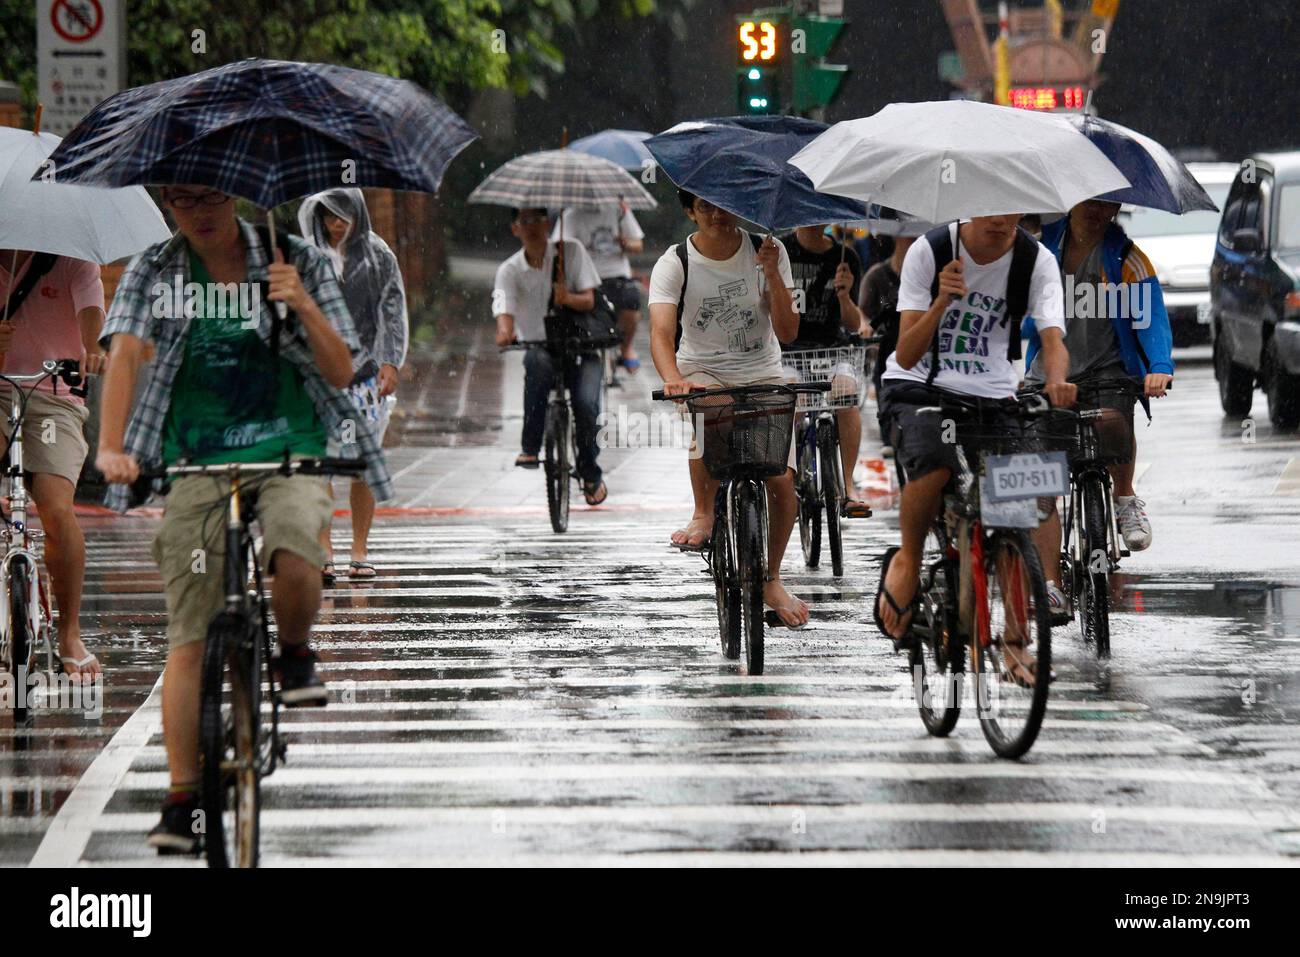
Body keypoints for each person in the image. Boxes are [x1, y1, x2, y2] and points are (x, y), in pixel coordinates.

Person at [94, 185, 393, 854]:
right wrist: (111, 448)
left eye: (206, 197)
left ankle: (291, 652)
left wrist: (304, 303)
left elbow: (343, 369)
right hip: (194, 465)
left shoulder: (295, 258)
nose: (195, 213)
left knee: (295, 552)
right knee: (191, 629)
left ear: (233, 194)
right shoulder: (155, 269)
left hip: (288, 452)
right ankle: (181, 800)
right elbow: (122, 354)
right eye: (179, 201)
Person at [873, 215, 1076, 683]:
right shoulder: (931, 250)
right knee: (937, 464)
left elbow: (1052, 339)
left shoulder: (1036, 260)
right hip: (920, 389)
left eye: (1013, 208)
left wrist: (1059, 379)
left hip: (996, 396)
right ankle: (907, 557)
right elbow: (904, 353)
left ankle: (1015, 642)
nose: (1003, 219)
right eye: (993, 206)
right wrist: (942, 300)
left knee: (1025, 497)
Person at [648, 190, 807, 627]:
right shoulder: (675, 261)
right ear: (689, 211)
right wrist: (673, 378)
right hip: (703, 371)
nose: (717, 214)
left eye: (725, 203)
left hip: (763, 372)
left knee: (781, 477)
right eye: (705, 206)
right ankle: (704, 511)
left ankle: (772, 577)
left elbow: (789, 331)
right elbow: (661, 331)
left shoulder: (768, 250)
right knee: (711, 418)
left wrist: (773, 275)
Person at [1021, 200, 1173, 614]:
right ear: (1070, 201)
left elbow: (1152, 316)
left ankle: (1125, 498)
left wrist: (1159, 366)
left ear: (1117, 207)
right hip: (1048, 378)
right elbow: (1017, 315)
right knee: (1039, 488)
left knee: (1116, 421)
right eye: (1089, 200)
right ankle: (1050, 586)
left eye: (1108, 201)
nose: (1097, 209)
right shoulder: (1039, 253)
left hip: (1109, 372)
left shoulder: (1127, 258)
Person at [0, 249, 106, 681]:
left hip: (54, 395)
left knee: (58, 509)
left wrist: (95, 348)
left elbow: (92, 311)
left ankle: (70, 634)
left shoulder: (73, 258)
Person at [298, 189, 409, 583]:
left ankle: (359, 549)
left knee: (362, 465)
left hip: (364, 377)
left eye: (344, 215)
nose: (336, 223)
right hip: (317, 375)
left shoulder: (379, 257)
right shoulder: (305, 257)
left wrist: (390, 361)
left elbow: (392, 311)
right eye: (329, 215)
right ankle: (324, 549)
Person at [493, 207, 608, 506]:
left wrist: (567, 297)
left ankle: (590, 472)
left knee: (585, 404)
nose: (531, 227)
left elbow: (590, 299)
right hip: (541, 346)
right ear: (515, 229)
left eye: (537, 220)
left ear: (548, 223)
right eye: (524, 222)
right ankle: (530, 447)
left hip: (581, 346)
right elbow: (503, 308)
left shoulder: (571, 252)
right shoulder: (509, 269)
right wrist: (505, 331)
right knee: (535, 362)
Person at [778, 225, 870, 515]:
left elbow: (854, 324)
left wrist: (844, 295)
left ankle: (847, 485)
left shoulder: (847, 256)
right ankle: (789, 477)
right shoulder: (780, 251)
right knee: (796, 403)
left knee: (846, 394)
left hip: (833, 349)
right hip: (788, 352)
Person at [552, 201, 645, 371]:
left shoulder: (619, 211)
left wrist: (625, 243)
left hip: (616, 275)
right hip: (585, 278)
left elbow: (638, 244)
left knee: (632, 300)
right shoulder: (570, 216)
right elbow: (557, 248)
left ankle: (626, 348)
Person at [859, 232, 918, 454]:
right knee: (885, 389)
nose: (912, 241)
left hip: (918, 349)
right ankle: (888, 436)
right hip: (886, 347)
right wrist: (865, 326)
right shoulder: (877, 275)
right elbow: (863, 312)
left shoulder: (930, 275)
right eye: (908, 237)